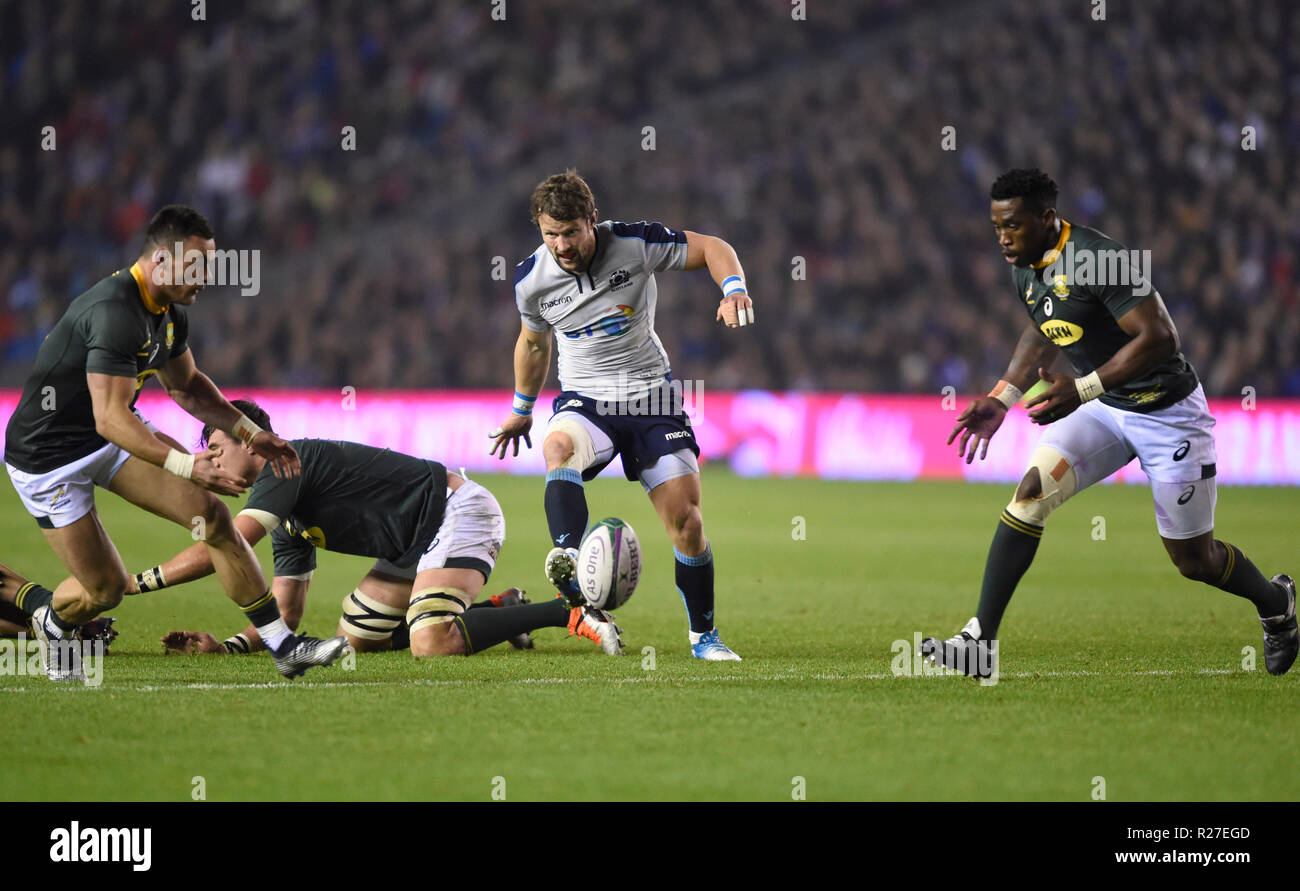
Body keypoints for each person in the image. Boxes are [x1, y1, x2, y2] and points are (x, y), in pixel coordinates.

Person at [925, 168, 1296, 677]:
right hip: (1106, 409)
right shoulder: (1025, 264)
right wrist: (1004, 395)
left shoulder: (1103, 259)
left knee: (1194, 560)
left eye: (1012, 226)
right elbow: (1043, 325)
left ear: (1047, 218)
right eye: (996, 228)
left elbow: (1162, 338)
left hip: (1167, 414)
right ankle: (979, 642)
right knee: (1031, 492)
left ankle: (1277, 604)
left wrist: (1080, 389)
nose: (1003, 238)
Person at [2, 205, 347, 681]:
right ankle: (53, 621)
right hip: (49, 459)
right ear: (161, 260)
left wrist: (251, 432)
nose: (207, 276)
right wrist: (188, 467)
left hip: (108, 435)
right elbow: (109, 418)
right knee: (103, 591)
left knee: (214, 519)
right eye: (198, 265)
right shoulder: (114, 313)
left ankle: (282, 645)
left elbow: (187, 387)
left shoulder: (167, 313)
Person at [489, 171, 753, 660]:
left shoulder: (634, 243)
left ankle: (704, 637)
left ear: (592, 220)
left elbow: (713, 247)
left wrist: (733, 287)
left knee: (687, 522)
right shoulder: (531, 280)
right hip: (587, 400)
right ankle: (567, 558)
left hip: (652, 398)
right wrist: (522, 410)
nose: (561, 245)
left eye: (571, 232)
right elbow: (533, 342)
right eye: (551, 234)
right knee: (557, 447)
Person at [133, 400, 625, 657]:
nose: (211, 459)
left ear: (251, 439)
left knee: (430, 643)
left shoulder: (285, 466)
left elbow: (227, 544)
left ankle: (566, 611)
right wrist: (230, 647)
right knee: (356, 641)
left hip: (455, 512)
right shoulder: (281, 509)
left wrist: (134, 583)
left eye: (217, 445)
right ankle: (499, 609)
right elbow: (286, 608)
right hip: (411, 543)